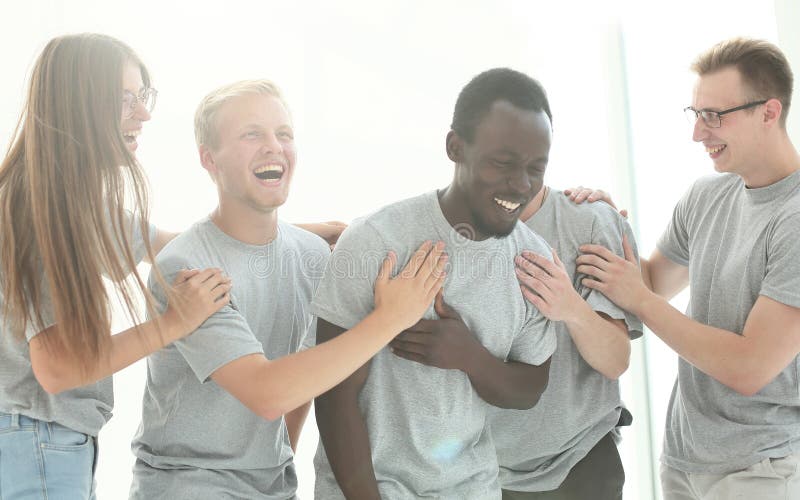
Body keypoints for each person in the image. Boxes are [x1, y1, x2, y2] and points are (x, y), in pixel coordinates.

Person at [128, 79, 446, 499]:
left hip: (273, 485)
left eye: (284, 134)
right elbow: (267, 392)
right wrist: (389, 318)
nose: (273, 146)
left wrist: (279, 459)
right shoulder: (185, 268)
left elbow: (305, 372)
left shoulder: (312, 255)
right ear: (209, 159)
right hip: (189, 483)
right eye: (251, 134)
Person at [0, 33, 232, 499]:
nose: (144, 114)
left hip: (41, 442)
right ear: (75, 104)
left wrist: (297, 234)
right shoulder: (42, 209)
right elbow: (59, 369)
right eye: (124, 100)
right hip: (37, 441)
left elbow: (179, 244)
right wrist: (175, 322)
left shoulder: (72, 201)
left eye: (142, 96)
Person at [312, 67, 556, 499]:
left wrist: (470, 357)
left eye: (536, 168)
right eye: (503, 163)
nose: (521, 184)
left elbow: (529, 389)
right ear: (455, 147)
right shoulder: (376, 241)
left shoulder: (533, 263)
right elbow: (333, 394)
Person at [575, 38, 800, 499]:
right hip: (682, 462)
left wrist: (638, 297)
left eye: (715, 116)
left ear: (769, 112)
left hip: (760, 471)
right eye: (695, 114)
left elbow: (750, 367)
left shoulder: (795, 218)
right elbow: (653, 283)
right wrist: (604, 225)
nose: (698, 134)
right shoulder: (707, 195)